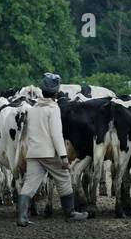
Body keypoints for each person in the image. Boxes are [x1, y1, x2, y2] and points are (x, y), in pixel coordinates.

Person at [16, 73, 87, 226]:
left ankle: (22, 217)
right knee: (64, 177)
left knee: (29, 184)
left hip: (33, 153)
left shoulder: (33, 108)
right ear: (56, 92)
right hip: (49, 153)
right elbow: (56, 135)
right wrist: (63, 156)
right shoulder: (53, 109)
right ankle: (70, 213)